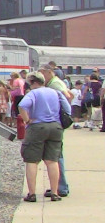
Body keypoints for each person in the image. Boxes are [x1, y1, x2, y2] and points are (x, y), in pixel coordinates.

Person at [18, 72, 70, 202]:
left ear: (33, 82)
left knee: (32, 161)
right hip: (55, 127)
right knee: (52, 161)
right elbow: (68, 109)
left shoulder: (33, 93)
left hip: (37, 126)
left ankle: (32, 194)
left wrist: (27, 120)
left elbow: (22, 105)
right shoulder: (55, 92)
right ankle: (54, 192)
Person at [41, 66, 72, 197]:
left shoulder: (54, 85)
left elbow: (67, 97)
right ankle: (59, 186)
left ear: (49, 72)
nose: (42, 77)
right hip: (56, 123)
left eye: (43, 74)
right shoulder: (56, 82)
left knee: (56, 156)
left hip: (55, 122)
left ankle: (61, 187)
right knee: (56, 156)